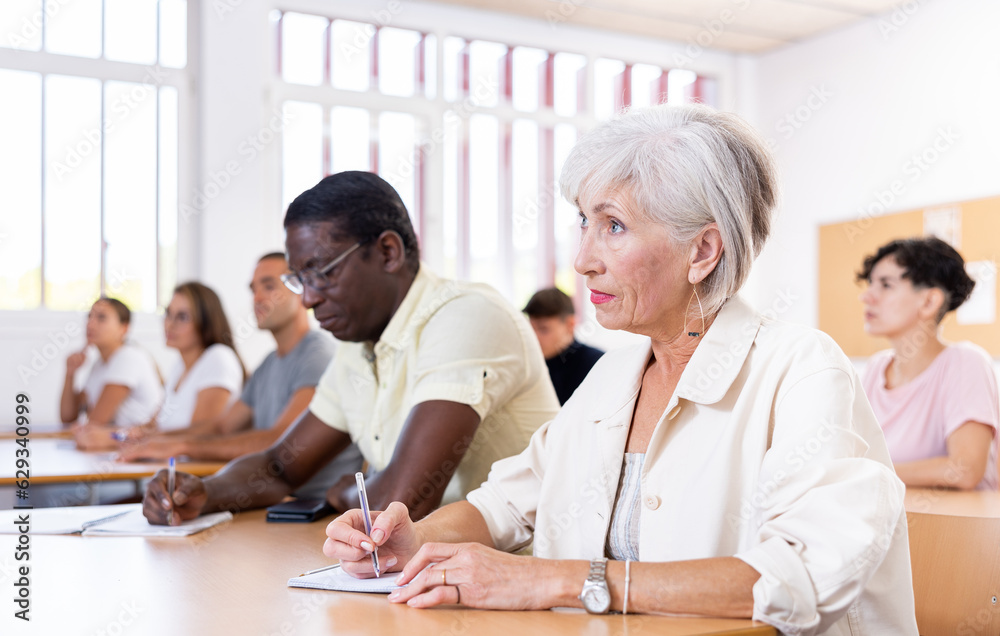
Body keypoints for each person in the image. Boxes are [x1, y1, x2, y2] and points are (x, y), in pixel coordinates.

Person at [323, 104, 919, 636]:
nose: (583, 260)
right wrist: (414, 540)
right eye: (584, 221)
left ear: (703, 252)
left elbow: (802, 580)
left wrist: (556, 581)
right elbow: (505, 506)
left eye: (613, 226)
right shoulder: (616, 375)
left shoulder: (803, 370)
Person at [141, 171, 560, 524]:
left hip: (521, 582)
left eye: (320, 273)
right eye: (299, 280)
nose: (307, 298)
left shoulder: (466, 317)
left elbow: (402, 505)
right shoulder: (357, 347)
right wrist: (202, 492)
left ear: (388, 252)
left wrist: (350, 496)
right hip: (427, 576)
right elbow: (280, 467)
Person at [120, 253, 363, 499]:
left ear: (300, 288)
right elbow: (222, 426)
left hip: (312, 509)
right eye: (253, 289)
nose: (257, 298)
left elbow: (280, 442)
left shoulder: (317, 355)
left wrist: (181, 445)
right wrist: (158, 438)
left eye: (269, 286)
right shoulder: (268, 364)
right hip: (276, 502)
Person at [858, 237, 998, 490]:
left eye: (886, 285)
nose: (866, 297)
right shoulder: (874, 369)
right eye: (870, 284)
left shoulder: (965, 363)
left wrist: (867, 473)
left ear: (929, 301)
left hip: (953, 528)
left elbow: (963, 470)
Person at [76, 282, 246, 450]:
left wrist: (115, 440)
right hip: (166, 464)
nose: (170, 324)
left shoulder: (218, 358)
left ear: (206, 323)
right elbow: (153, 427)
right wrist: (114, 434)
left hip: (193, 472)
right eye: (168, 314)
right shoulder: (179, 367)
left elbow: (199, 437)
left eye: (182, 317)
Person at [61, 297, 163, 431]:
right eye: (89, 316)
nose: (90, 324)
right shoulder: (99, 364)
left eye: (101, 318)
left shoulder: (128, 357)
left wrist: (81, 427)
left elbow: (95, 423)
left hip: (140, 444)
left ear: (124, 328)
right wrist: (70, 374)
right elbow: (68, 418)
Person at [523, 287, 604, 404]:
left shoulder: (597, 365)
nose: (534, 337)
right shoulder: (527, 367)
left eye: (543, 329)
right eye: (530, 328)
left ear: (570, 324)